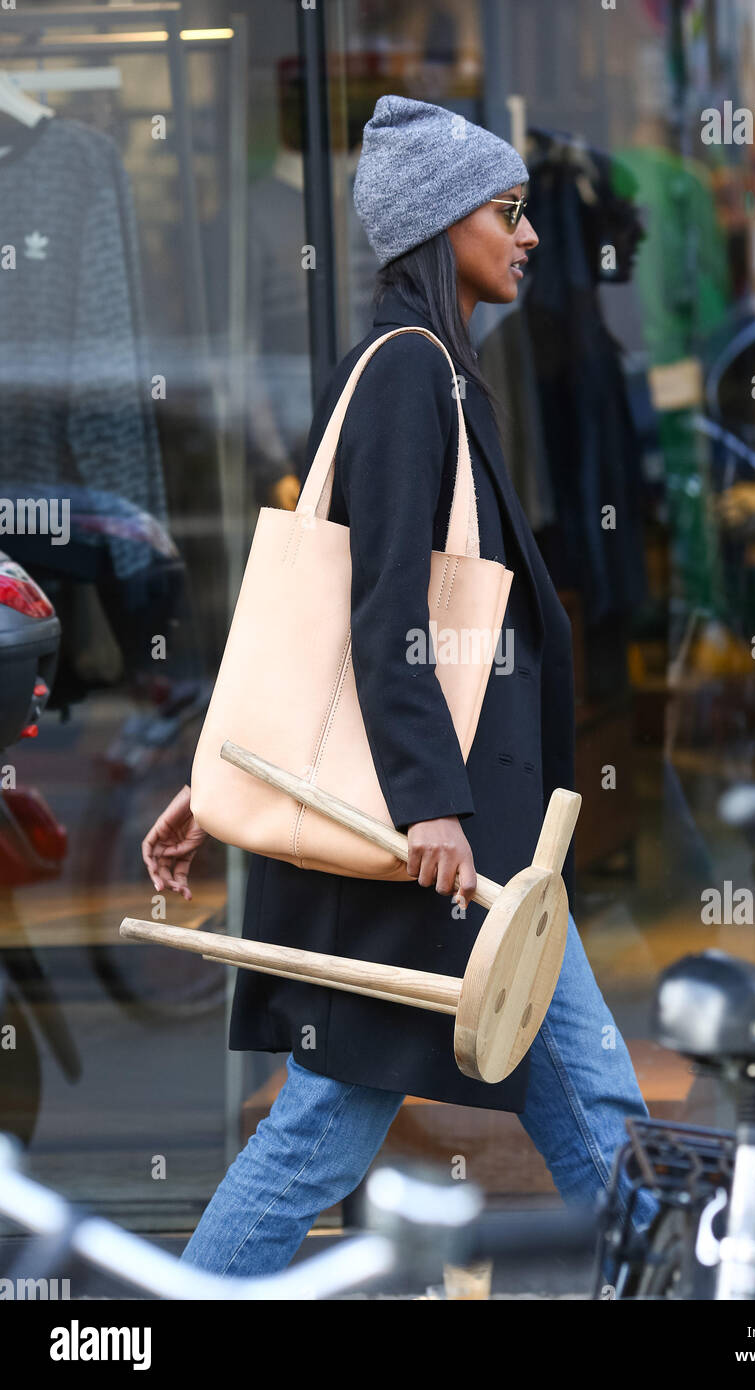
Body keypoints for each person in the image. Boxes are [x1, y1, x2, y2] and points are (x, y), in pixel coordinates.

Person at [141, 94, 658, 1281]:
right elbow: (378, 615)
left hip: (467, 841)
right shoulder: (405, 377)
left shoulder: (429, 373)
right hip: (434, 845)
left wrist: (218, 771)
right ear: (440, 226)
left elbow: (319, 617)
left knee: (588, 1113)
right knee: (328, 1133)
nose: (529, 236)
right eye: (506, 212)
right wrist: (427, 800)